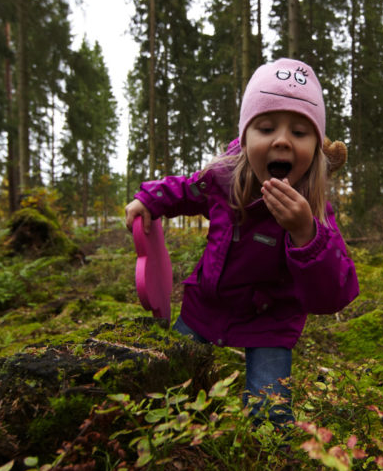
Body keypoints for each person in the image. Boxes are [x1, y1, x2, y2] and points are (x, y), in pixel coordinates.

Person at [125, 58, 359, 425]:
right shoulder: (222, 179)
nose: (281, 140)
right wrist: (149, 199)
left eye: (300, 132)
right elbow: (184, 190)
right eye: (266, 127)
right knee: (168, 386)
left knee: (270, 417)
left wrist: (305, 233)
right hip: (205, 308)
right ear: (246, 137)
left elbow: (334, 293)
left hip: (271, 324)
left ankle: (272, 456)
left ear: (316, 147)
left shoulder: (314, 210)